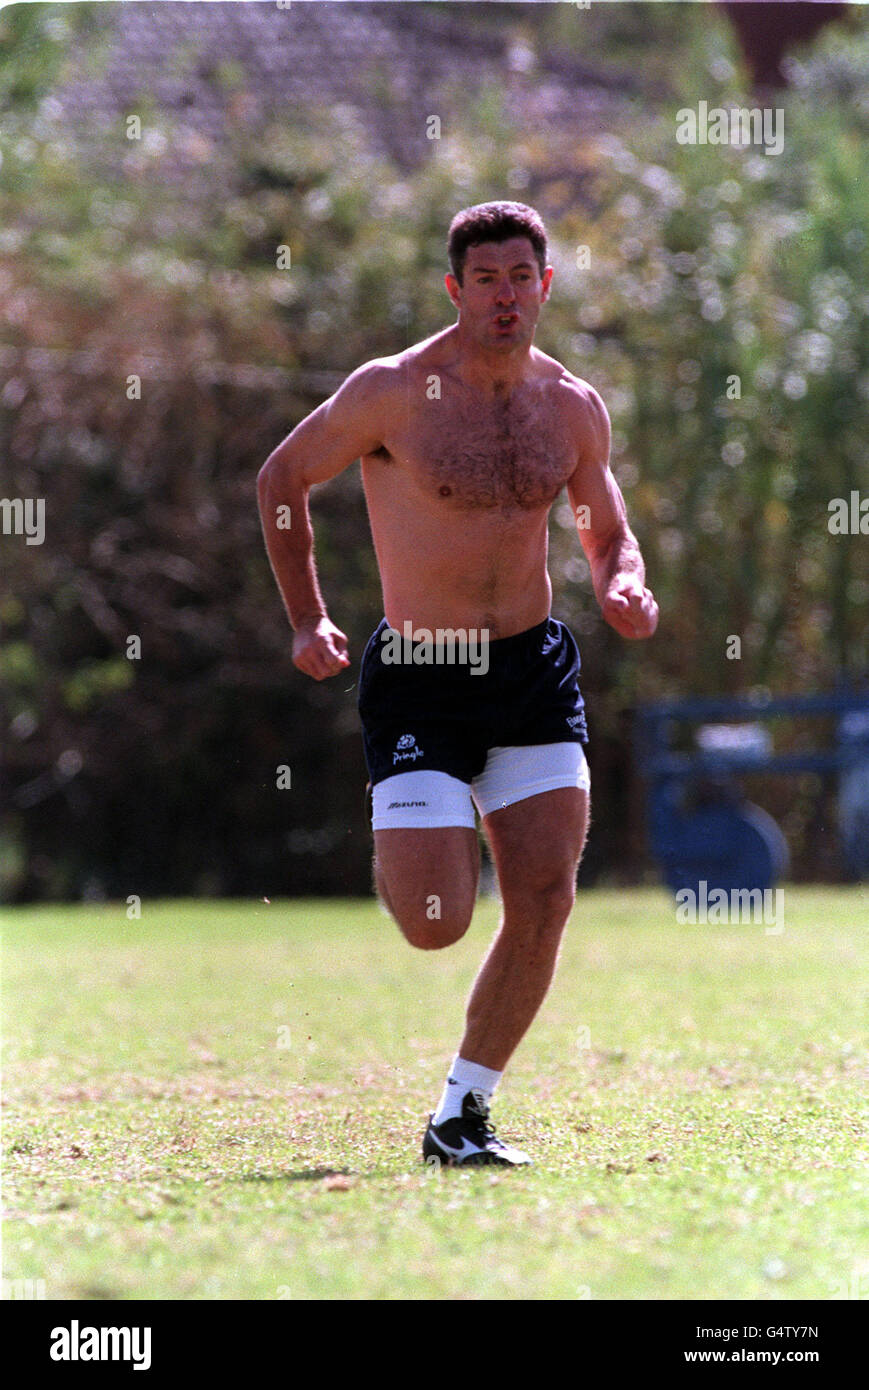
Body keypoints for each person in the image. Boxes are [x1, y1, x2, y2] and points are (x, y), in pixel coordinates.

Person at [257, 201, 658, 1166]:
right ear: (455, 290)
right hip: (421, 676)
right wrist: (308, 617)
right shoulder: (392, 391)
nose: (505, 297)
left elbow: (604, 525)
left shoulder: (570, 405)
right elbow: (281, 478)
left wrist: (623, 581)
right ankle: (419, 834)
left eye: (521, 278)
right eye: (485, 281)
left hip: (530, 672)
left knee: (546, 896)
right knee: (436, 921)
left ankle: (461, 1115)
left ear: (545, 286)